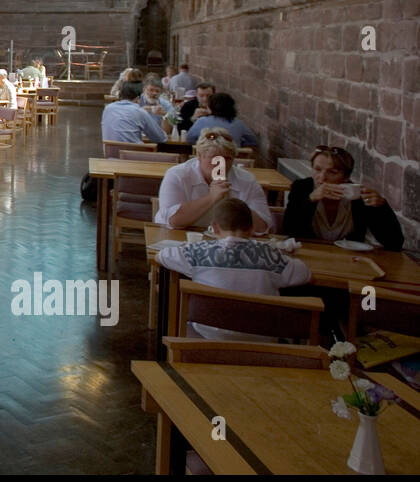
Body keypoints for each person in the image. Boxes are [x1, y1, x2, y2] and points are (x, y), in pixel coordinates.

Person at [157, 199, 311, 342]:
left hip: (209, 336)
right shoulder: (271, 255)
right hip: (262, 338)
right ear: (251, 228)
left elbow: (161, 256)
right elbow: (305, 274)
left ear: (215, 227)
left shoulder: (197, 253)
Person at [283, 146, 403, 249]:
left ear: (346, 177)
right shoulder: (301, 188)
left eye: (332, 172)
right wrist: (311, 199)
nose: (322, 177)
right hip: (309, 255)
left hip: (349, 261)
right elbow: (289, 232)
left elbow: (394, 243)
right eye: (317, 169)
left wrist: (382, 208)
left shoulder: (357, 196)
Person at [154, 128, 272, 234]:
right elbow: (174, 221)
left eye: (228, 158)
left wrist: (232, 203)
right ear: (199, 155)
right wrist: (211, 197)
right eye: (215, 158)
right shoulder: (177, 175)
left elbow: (263, 227)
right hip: (181, 236)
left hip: (227, 242)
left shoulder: (247, 180)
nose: (222, 165)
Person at [185, 92, 258, 149]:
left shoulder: (202, 121)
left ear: (211, 107)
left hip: (207, 158)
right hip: (232, 160)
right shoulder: (238, 123)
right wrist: (237, 143)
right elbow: (253, 141)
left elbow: (189, 140)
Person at [100, 82, 167, 143]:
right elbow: (161, 138)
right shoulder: (139, 111)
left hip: (110, 154)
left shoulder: (108, 108)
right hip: (134, 154)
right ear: (138, 99)